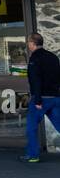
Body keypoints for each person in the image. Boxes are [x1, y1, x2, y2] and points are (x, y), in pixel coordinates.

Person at [21, 32, 60, 164]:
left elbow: (35, 80)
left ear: (32, 43)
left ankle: (33, 155)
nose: (28, 45)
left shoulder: (34, 59)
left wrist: (37, 100)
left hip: (42, 99)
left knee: (31, 128)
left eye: (28, 43)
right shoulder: (53, 57)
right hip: (55, 98)